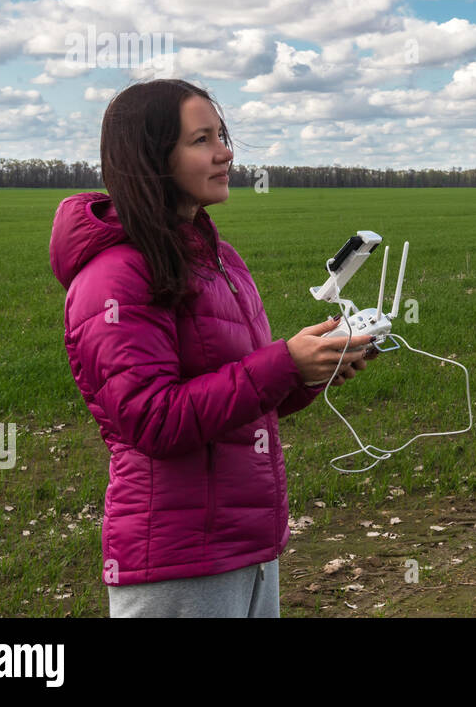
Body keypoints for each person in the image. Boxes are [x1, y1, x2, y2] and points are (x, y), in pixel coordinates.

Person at [49, 79, 374, 617]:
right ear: (152, 158)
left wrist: (310, 371)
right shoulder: (115, 276)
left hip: (248, 545)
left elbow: (243, 396)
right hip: (179, 561)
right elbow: (153, 420)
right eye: (202, 140)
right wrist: (282, 363)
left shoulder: (219, 258)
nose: (225, 152)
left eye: (221, 135)